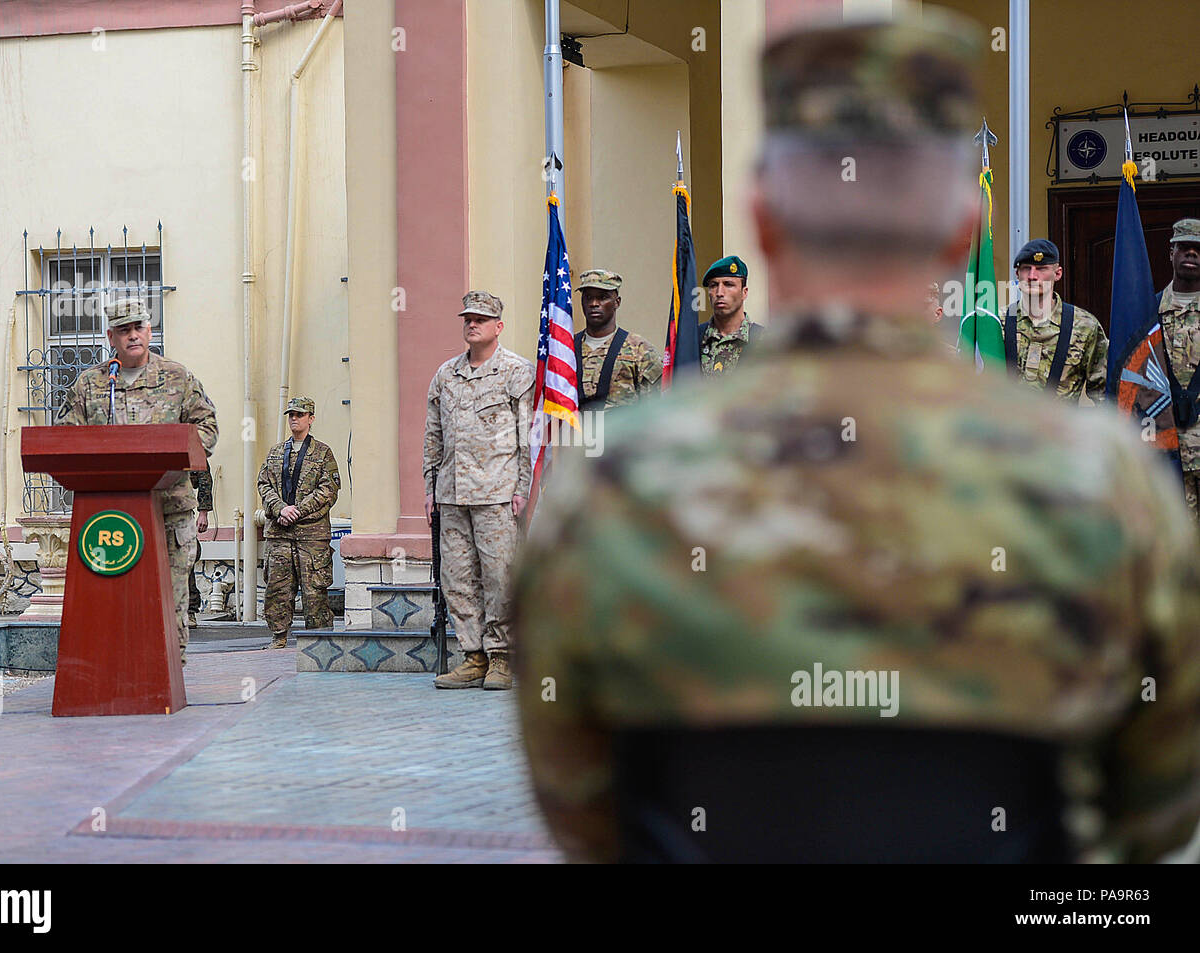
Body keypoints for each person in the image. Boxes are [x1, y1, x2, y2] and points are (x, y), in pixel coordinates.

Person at [513, 10, 1200, 863]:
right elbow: (1158, 810)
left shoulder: (609, 489)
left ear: (762, 222)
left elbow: (585, 809)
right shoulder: (1107, 488)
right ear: (962, 230)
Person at [58, 296, 218, 667]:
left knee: (169, 602)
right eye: (124, 330)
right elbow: (65, 439)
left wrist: (176, 458)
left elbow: (207, 428)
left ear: (149, 330)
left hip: (169, 512)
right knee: (117, 601)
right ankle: (117, 674)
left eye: (139, 328)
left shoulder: (178, 378)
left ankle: (169, 675)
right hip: (111, 517)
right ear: (110, 336)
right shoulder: (90, 385)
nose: (133, 336)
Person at [423, 290, 534, 691]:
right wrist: (429, 486)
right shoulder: (445, 374)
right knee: (457, 578)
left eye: (481, 320)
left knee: (499, 577)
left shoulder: (517, 372)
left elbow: (528, 438)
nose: (472, 324)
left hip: (497, 493)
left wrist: (523, 488)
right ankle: (472, 656)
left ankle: (502, 657)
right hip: (452, 493)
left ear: (498, 327)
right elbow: (433, 434)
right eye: (468, 318)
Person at [256, 397, 340, 649]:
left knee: (315, 591)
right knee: (277, 590)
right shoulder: (275, 453)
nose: (294, 418)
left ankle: (320, 641)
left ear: (311, 419)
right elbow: (264, 484)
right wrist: (281, 509)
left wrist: (298, 511)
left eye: (300, 414)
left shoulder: (323, 453)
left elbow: (329, 489)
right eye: (291, 414)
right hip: (280, 533)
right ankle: (279, 637)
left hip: (311, 536)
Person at [1004, 239, 1108, 403]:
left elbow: (1103, 395)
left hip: (1060, 427)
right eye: (1026, 269)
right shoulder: (998, 322)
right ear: (1017, 274)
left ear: (1057, 273)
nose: (1032, 276)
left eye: (1041, 269)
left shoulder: (1084, 325)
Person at [1156, 218, 1200, 521]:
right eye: (1184, 247)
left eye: (1198, 249)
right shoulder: (1148, 310)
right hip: (1167, 453)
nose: (1191, 254)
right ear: (1170, 252)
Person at [573, 269, 662, 412]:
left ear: (617, 302)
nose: (594, 303)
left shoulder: (640, 350)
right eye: (588, 297)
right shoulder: (566, 348)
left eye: (602, 297)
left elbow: (654, 411)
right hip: (575, 432)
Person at [698, 255, 761, 375]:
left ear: (744, 292)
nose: (719, 293)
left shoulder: (763, 341)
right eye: (713, 285)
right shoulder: (694, 339)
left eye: (728, 284)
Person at [187, 467, 214, 627]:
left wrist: (203, 512)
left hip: (180, 513)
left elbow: (204, 478)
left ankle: (189, 611)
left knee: (185, 560)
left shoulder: (188, 445)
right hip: (152, 510)